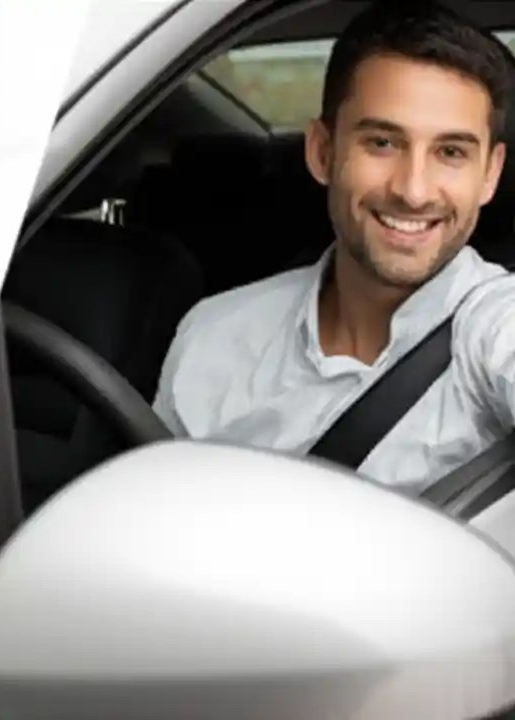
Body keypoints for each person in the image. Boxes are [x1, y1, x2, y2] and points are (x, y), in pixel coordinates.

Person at [154, 0, 515, 494]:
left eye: (450, 152)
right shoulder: (212, 336)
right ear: (323, 152)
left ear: (490, 174)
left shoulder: (495, 325)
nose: (413, 191)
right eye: (382, 143)